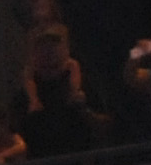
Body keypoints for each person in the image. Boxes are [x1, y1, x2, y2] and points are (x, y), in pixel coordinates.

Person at [10, 20, 100, 156]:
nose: (48, 49)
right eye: (42, 44)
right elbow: (13, 136)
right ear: (32, 53)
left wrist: (85, 111)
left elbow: (106, 124)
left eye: (55, 43)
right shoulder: (24, 95)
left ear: (67, 48)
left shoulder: (83, 83)